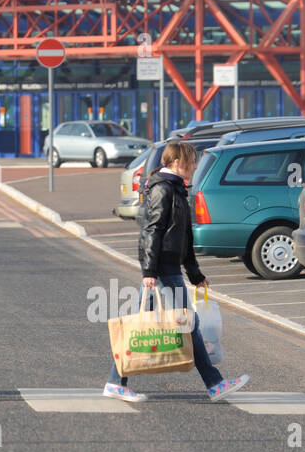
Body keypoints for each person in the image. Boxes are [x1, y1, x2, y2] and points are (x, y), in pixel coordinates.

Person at [103, 139, 248, 403]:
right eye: (192, 162)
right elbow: (152, 230)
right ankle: (213, 384)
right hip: (161, 269)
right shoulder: (163, 189)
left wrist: (195, 274)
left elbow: (184, 237)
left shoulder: (176, 188)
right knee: (171, 325)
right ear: (178, 162)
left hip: (167, 266)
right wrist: (149, 270)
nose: (194, 166)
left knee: (177, 324)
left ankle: (117, 382)